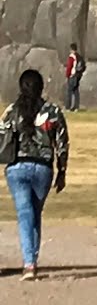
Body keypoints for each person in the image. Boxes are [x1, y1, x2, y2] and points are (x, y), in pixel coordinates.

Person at [1, 69, 68, 280]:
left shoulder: (11, 111)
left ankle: (29, 263)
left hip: (17, 167)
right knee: (34, 214)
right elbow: (63, 143)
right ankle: (32, 261)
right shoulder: (53, 111)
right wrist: (62, 171)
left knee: (24, 213)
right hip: (43, 169)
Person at [64, 44, 84, 113]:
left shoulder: (72, 57)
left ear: (71, 49)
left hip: (72, 76)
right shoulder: (79, 57)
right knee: (76, 92)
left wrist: (67, 75)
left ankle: (68, 107)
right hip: (77, 76)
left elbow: (69, 66)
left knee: (69, 92)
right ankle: (76, 107)